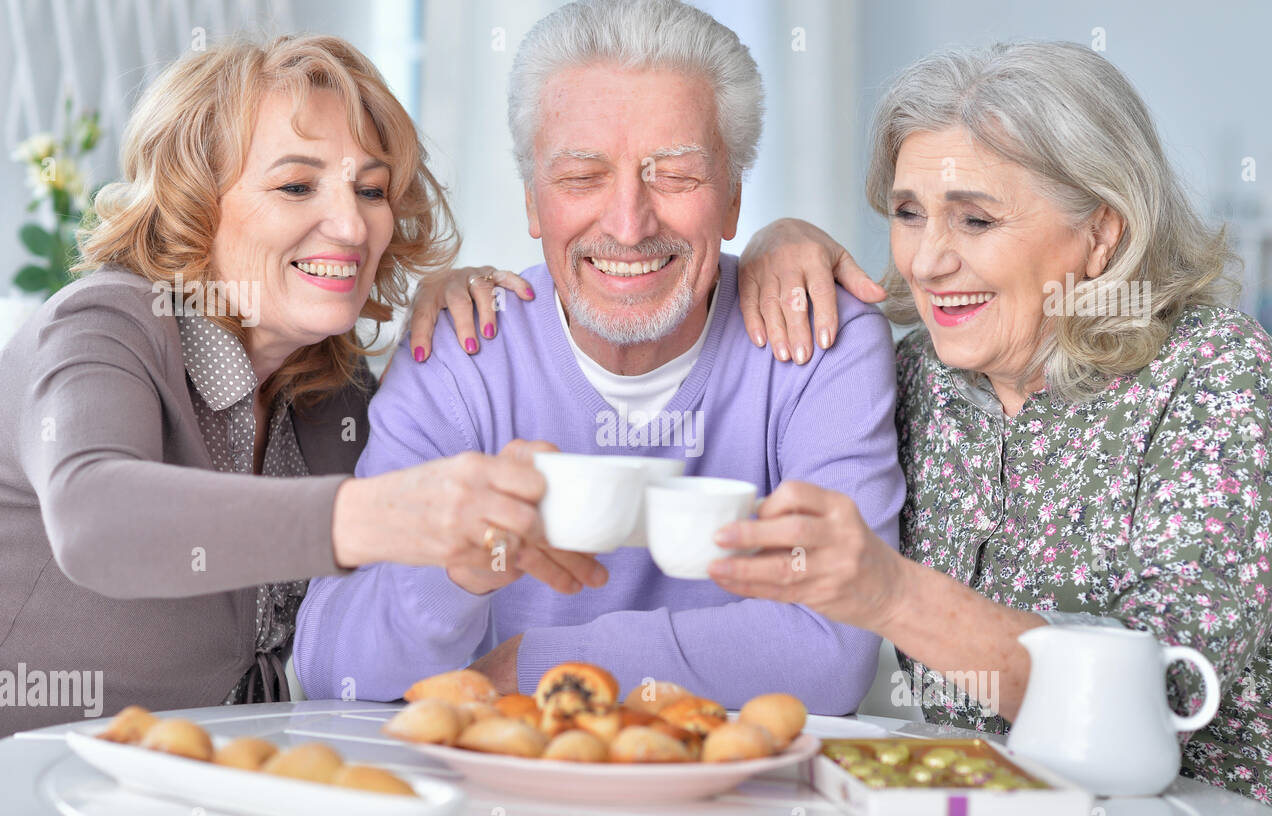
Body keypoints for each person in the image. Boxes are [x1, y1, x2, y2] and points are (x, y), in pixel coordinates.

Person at [701, 41, 1272, 816]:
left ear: (1102, 233)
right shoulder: (915, 372)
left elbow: (1160, 688)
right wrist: (774, 240)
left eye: (975, 219)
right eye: (908, 214)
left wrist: (892, 594)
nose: (926, 260)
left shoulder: (1215, 370)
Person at [294, 0, 905, 714]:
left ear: (735, 199)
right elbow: (334, 664)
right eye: (581, 176)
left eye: (675, 175)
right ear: (532, 202)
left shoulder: (820, 335)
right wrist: (451, 574)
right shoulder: (455, 350)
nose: (627, 223)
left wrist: (533, 664)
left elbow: (831, 652)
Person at [0, 34, 604, 735]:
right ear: (192, 200)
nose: (351, 224)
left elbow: (379, 623)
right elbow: (96, 518)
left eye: (371, 189)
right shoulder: (104, 323)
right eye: (296, 185)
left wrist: (453, 292)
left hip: (207, 796)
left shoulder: (332, 385)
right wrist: (385, 513)